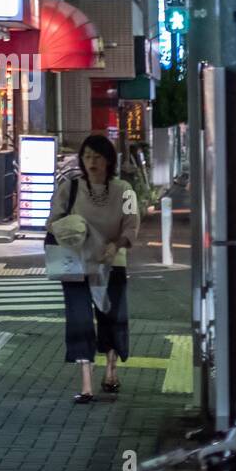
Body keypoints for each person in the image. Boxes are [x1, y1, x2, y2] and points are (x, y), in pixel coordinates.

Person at [47, 135, 140, 404]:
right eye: (87, 156)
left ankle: (111, 371)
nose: (91, 162)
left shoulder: (125, 190)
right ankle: (86, 384)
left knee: (112, 316)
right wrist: (68, 228)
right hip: (75, 263)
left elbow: (132, 225)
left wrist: (116, 245)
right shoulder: (69, 188)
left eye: (97, 157)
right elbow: (52, 221)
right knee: (80, 320)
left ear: (109, 160)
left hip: (112, 262)